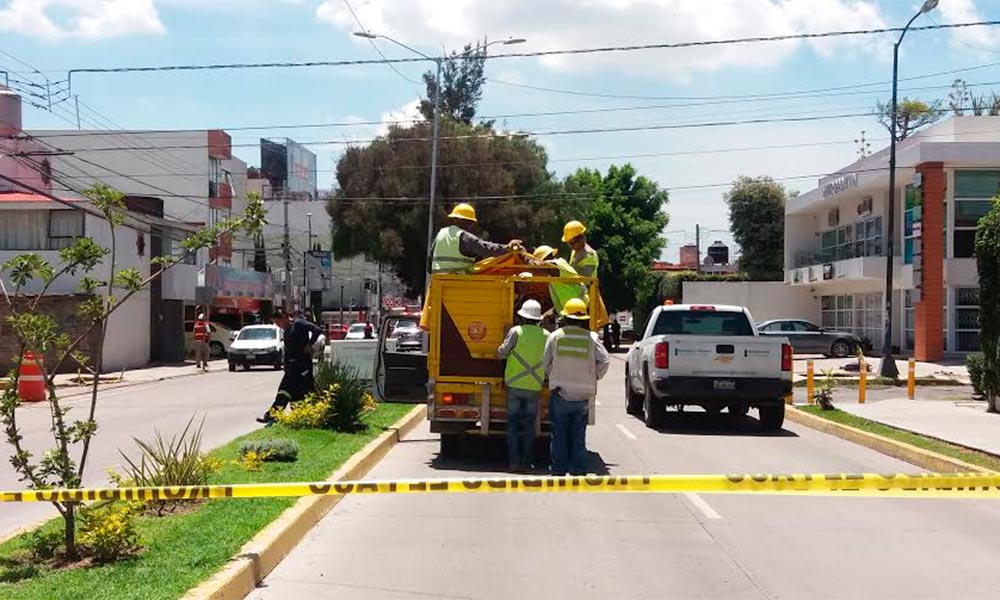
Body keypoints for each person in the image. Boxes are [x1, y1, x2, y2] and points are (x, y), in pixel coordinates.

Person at [543, 297, 609, 476]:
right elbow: (604, 360)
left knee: (559, 433)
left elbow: (545, 362)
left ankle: (558, 468)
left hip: (560, 393)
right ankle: (578, 468)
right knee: (578, 434)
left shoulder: (555, 336)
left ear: (564, 317)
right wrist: (594, 376)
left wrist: (553, 378)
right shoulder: (592, 338)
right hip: (582, 395)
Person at [497, 299, 549, 473]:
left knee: (512, 425)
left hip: (514, 384)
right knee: (528, 427)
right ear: (538, 319)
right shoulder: (546, 335)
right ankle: (527, 463)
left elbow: (502, 353)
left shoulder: (516, 331)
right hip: (534, 386)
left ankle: (514, 463)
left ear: (521, 317)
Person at [257, 308, 325, 424]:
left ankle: (302, 416)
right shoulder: (287, 330)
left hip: (302, 367)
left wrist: (309, 344)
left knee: (302, 392)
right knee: (285, 392)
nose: (278, 326)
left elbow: (317, 330)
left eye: (278, 322)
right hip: (291, 368)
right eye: (275, 323)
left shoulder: (298, 324)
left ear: (284, 317)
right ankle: (274, 416)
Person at [429, 203, 522, 274]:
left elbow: (430, 262)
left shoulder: (441, 233)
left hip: (438, 282)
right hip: (459, 283)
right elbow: (485, 248)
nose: (471, 226)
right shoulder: (464, 236)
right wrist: (507, 248)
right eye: (470, 222)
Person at [532, 245, 588, 317]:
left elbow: (540, 266)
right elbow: (561, 298)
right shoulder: (554, 278)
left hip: (580, 308)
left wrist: (525, 257)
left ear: (547, 258)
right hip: (574, 309)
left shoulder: (558, 264)